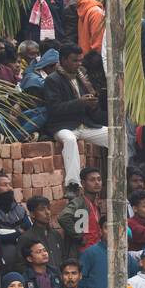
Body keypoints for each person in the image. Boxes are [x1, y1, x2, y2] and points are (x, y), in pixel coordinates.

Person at [43, 45, 109, 189]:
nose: (79, 64)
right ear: (63, 60)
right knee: (70, 140)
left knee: (115, 135)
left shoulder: (82, 77)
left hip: (84, 125)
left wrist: (92, 105)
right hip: (62, 126)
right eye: (75, 61)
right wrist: (80, 102)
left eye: (80, 60)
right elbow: (54, 109)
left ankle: (118, 175)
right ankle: (73, 184)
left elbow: (91, 111)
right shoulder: (52, 80)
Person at [59, 165, 105, 259]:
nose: (97, 183)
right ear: (83, 183)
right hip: (82, 253)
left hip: (96, 251)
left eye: (99, 179)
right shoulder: (79, 202)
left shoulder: (95, 205)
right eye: (92, 180)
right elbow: (63, 217)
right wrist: (79, 237)